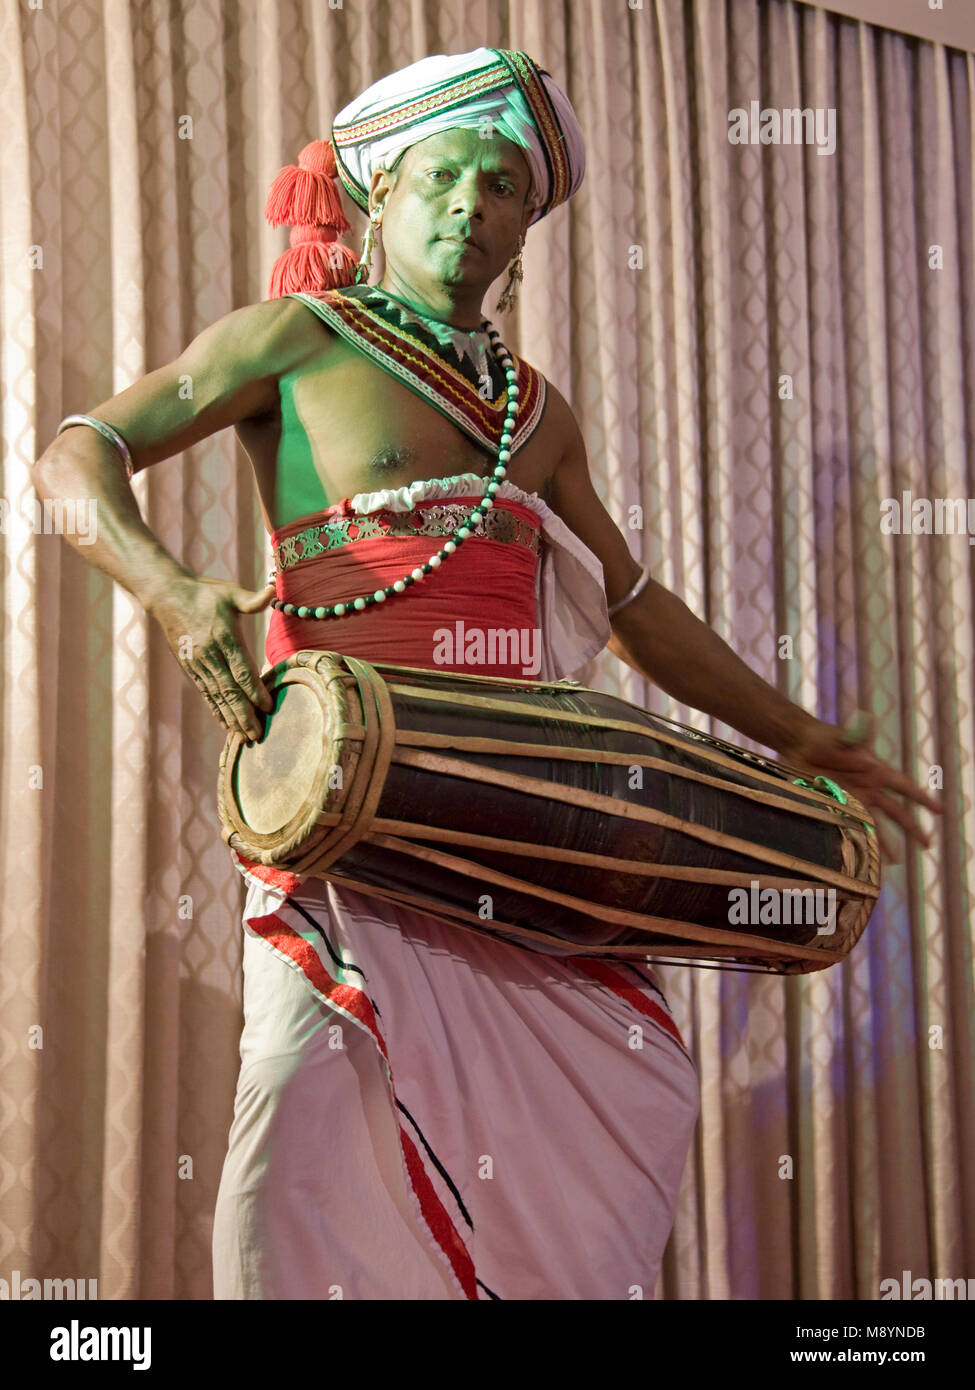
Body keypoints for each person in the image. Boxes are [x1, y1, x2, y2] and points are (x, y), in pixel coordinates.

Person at [33, 48, 940, 1301]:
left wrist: (801, 735)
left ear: (526, 224)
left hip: (520, 819)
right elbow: (76, 457)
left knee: (618, 1113)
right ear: (378, 198)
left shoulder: (537, 407)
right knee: (304, 1105)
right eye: (441, 174)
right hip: (345, 809)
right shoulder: (294, 336)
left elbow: (632, 607)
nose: (471, 200)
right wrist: (176, 590)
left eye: (502, 182)